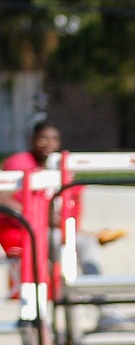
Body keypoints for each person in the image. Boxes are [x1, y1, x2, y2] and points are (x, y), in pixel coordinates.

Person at [1, 120, 127, 284]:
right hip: (23, 230)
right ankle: (60, 290)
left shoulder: (60, 167)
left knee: (87, 243)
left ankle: (97, 295)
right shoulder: (20, 163)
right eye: (43, 139)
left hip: (52, 232)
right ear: (32, 140)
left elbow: (66, 217)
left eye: (54, 139)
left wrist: (90, 234)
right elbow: (3, 198)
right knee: (60, 245)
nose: (49, 144)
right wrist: (38, 215)